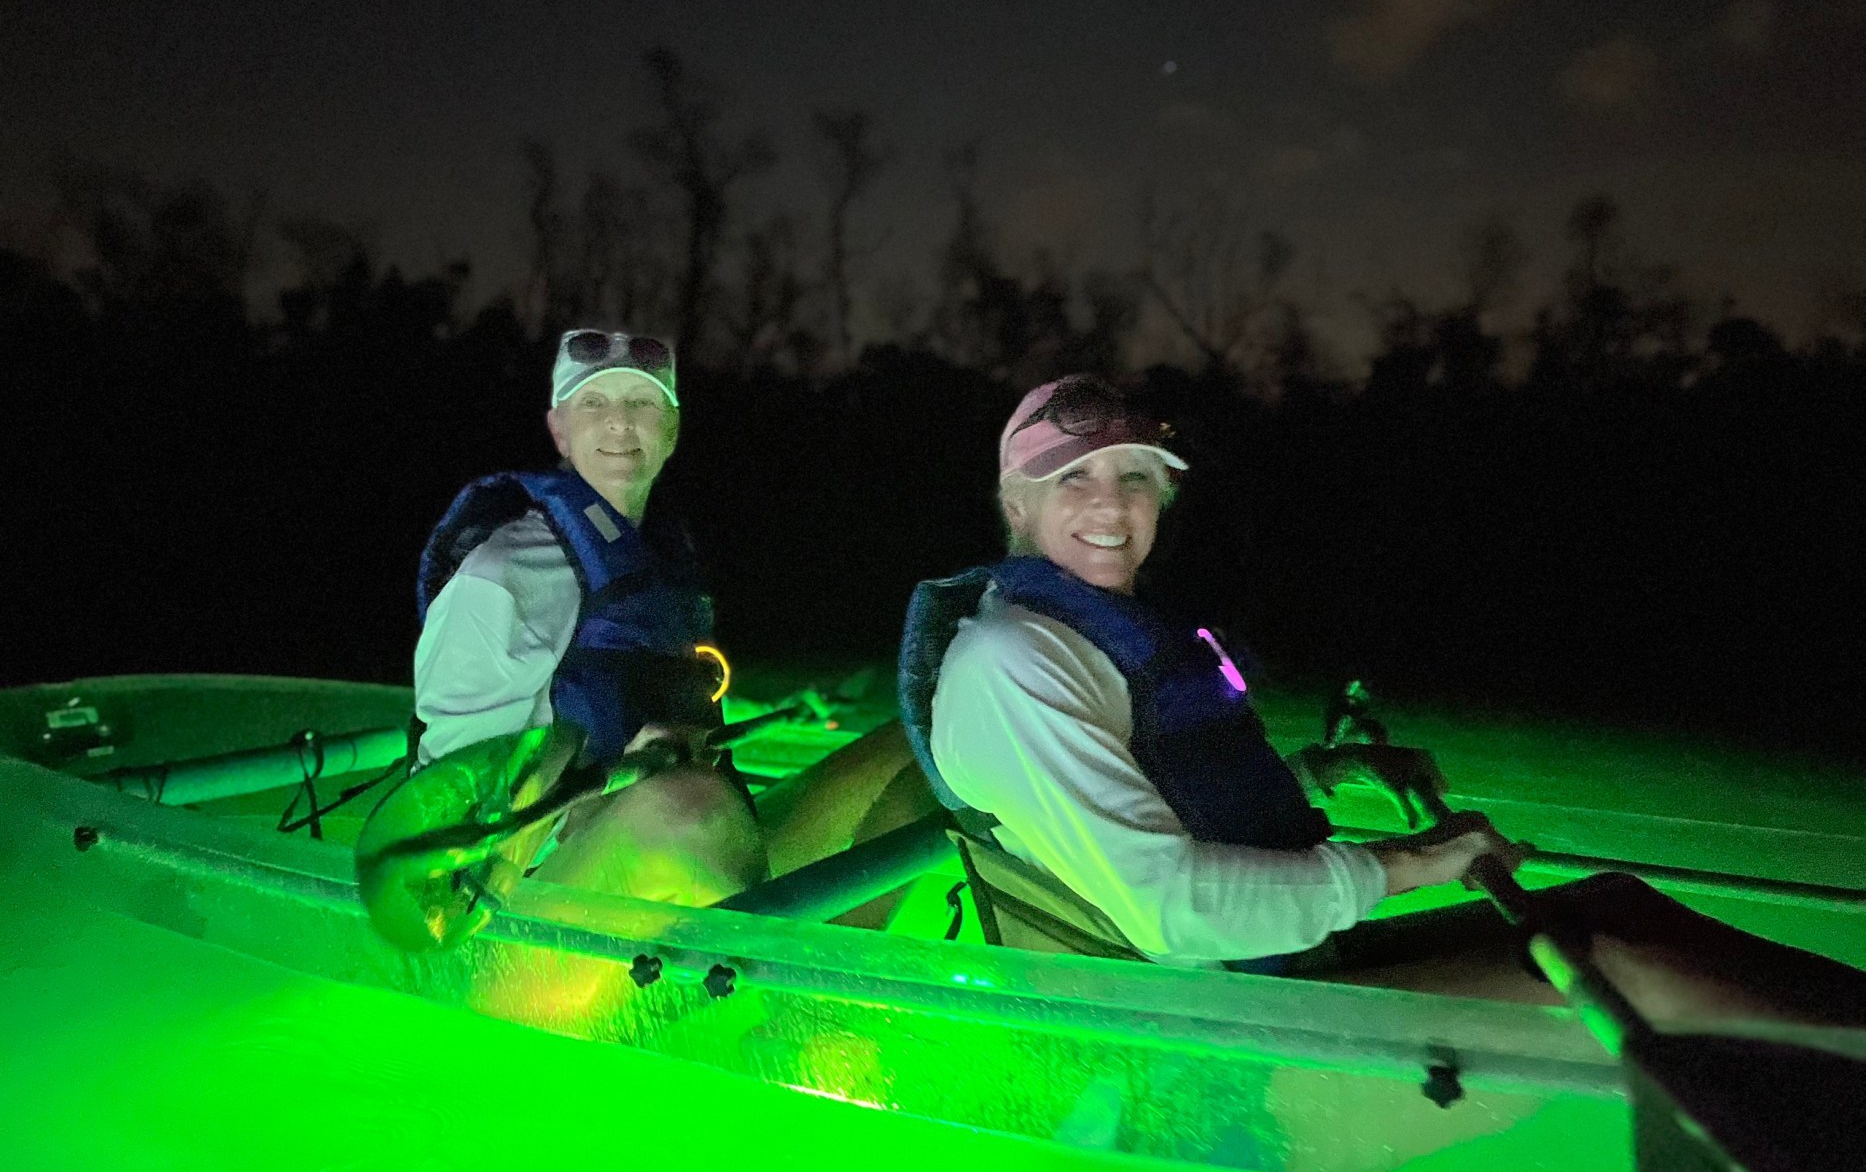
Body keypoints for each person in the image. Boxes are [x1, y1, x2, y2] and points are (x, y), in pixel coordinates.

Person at [900, 375, 1866, 1024]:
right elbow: (1174, 910)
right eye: (1071, 478)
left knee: (1613, 905)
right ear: (1015, 505)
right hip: (1211, 1042)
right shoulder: (1014, 662)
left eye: (1137, 478)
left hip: (1266, 973)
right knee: (1630, 970)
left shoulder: (1082, 632)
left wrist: (1326, 770)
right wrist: (1415, 863)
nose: (1112, 505)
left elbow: (1179, 788)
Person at [413, 329, 764, 906]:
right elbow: (455, 805)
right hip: (519, 887)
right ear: (560, 430)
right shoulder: (501, 573)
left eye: (642, 402)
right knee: (691, 812)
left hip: (651, 829)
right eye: (594, 403)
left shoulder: (663, 558)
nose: (619, 422)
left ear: (671, 430)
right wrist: (603, 784)